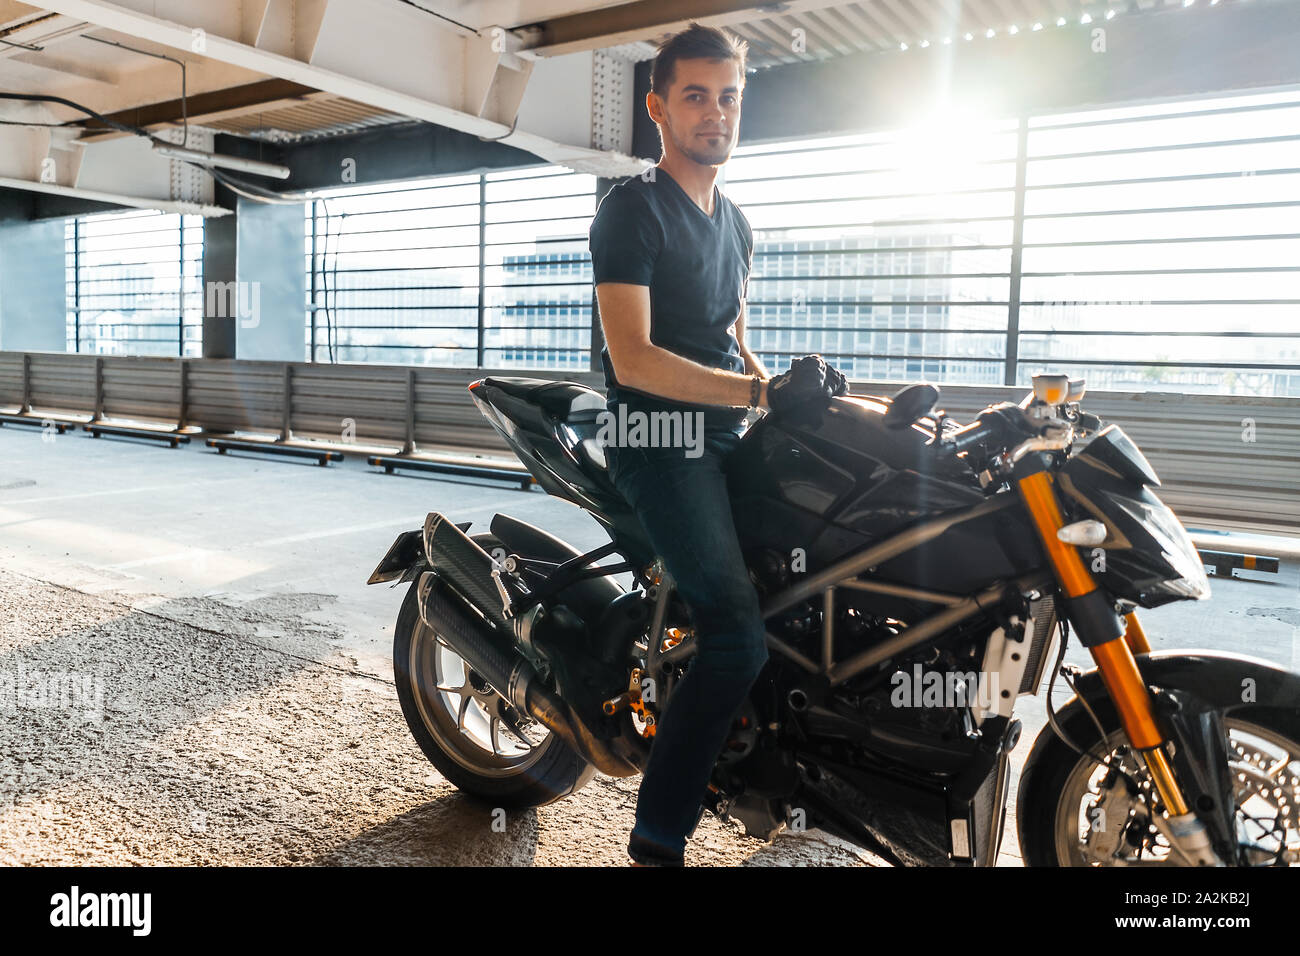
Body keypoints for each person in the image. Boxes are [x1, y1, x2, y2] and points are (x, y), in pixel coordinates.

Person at [588, 22, 847, 867]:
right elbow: (635, 356)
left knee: (808, 577)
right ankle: (658, 838)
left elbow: (733, 344)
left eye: (728, 96)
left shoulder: (737, 224)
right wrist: (756, 392)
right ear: (658, 108)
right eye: (695, 96)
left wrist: (794, 399)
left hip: (724, 428)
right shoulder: (632, 209)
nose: (715, 113)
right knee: (736, 635)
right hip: (654, 436)